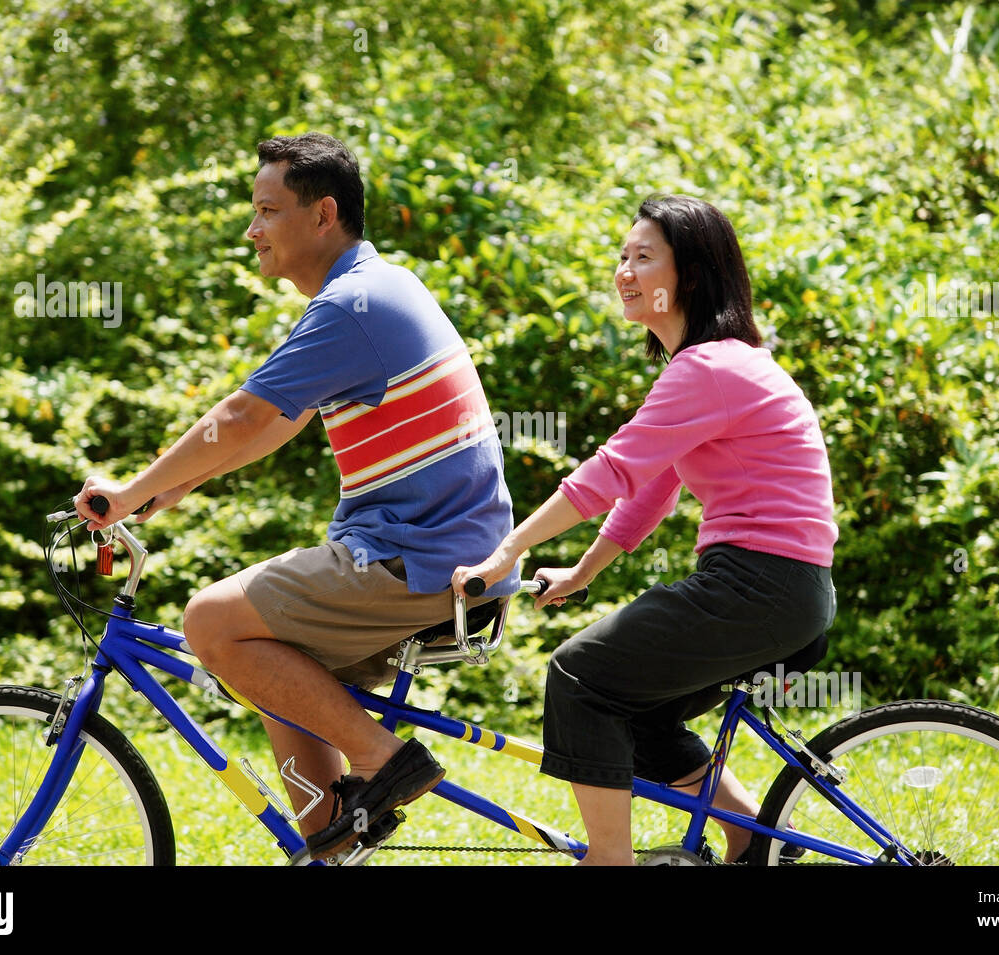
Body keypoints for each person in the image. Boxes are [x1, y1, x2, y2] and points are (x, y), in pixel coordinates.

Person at [75, 132, 518, 860]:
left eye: (266, 210)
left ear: (323, 215)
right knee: (275, 658)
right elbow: (275, 423)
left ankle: (385, 760)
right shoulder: (376, 288)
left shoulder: (351, 303)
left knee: (213, 621)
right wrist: (165, 489)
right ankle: (333, 845)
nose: (251, 230)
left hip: (421, 559)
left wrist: (126, 493)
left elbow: (243, 417)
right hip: (437, 553)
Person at [453, 195, 838, 866]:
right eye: (622, 256)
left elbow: (609, 471)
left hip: (759, 584)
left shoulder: (709, 368)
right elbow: (651, 488)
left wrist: (511, 547)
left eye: (644, 258)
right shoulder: (716, 365)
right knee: (634, 706)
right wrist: (582, 572)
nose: (625, 272)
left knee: (579, 675)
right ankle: (752, 839)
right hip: (779, 588)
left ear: (688, 274)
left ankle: (611, 860)